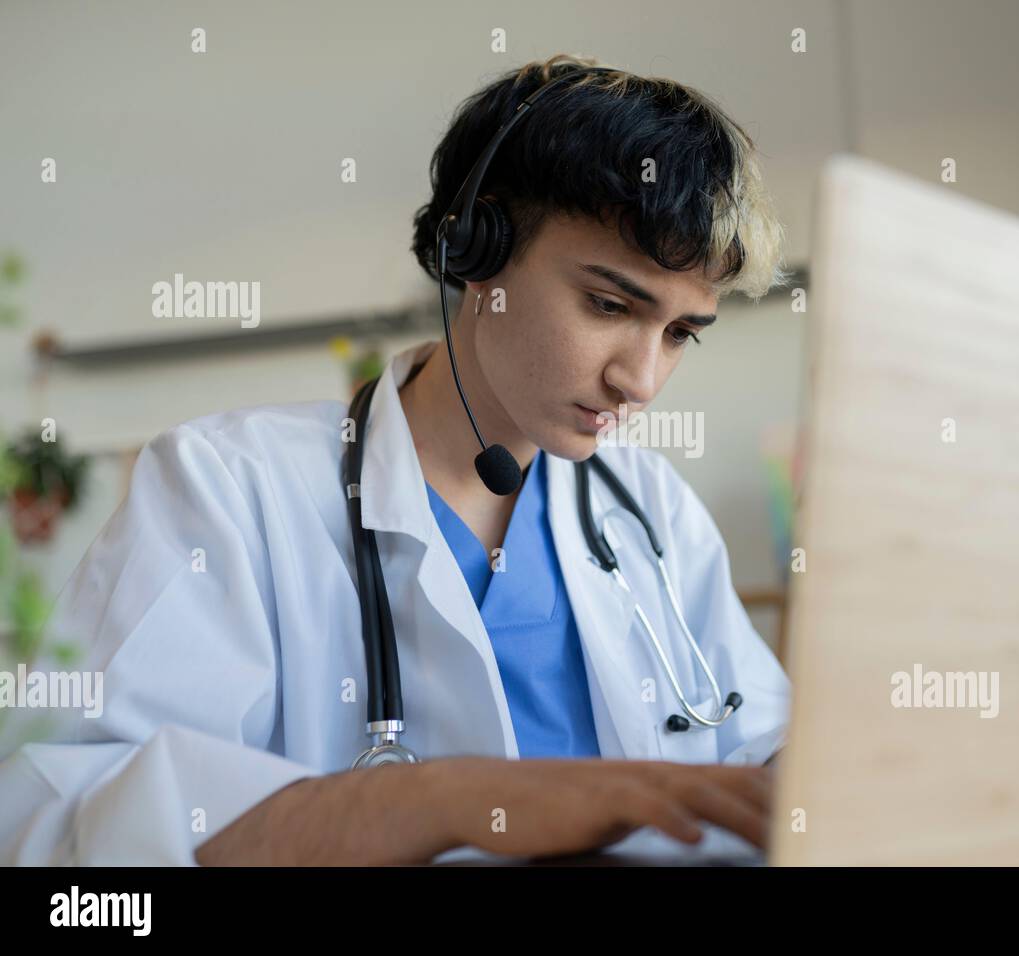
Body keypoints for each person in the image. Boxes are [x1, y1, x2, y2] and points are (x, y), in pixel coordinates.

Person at [0, 53, 792, 866]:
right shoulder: (228, 491)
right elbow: (58, 835)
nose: (642, 379)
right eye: (607, 303)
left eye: (680, 333)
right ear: (478, 252)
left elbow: (761, 751)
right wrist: (432, 799)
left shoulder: (648, 507)